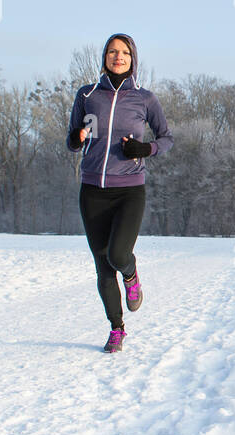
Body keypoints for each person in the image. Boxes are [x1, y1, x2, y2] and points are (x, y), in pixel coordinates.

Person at [66, 33, 173, 353]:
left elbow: (167, 138)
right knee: (102, 265)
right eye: (112, 52)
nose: (118, 57)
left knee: (118, 256)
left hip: (129, 190)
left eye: (124, 52)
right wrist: (78, 135)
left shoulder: (145, 99)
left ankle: (132, 275)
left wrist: (146, 148)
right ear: (104, 58)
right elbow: (72, 141)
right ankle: (116, 328)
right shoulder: (87, 95)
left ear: (132, 59)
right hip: (92, 190)